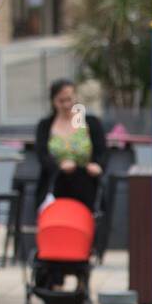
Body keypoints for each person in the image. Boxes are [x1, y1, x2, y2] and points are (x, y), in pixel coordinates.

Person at [34, 78, 107, 212]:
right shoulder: (45, 125)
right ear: (53, 101)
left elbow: (102, 151)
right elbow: (42, 154)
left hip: (87, 184)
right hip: (56, 185)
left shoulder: (91, 122)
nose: (66, 105)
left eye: (69, 99)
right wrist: (58, 166)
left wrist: (97, 165)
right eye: (61, 101)